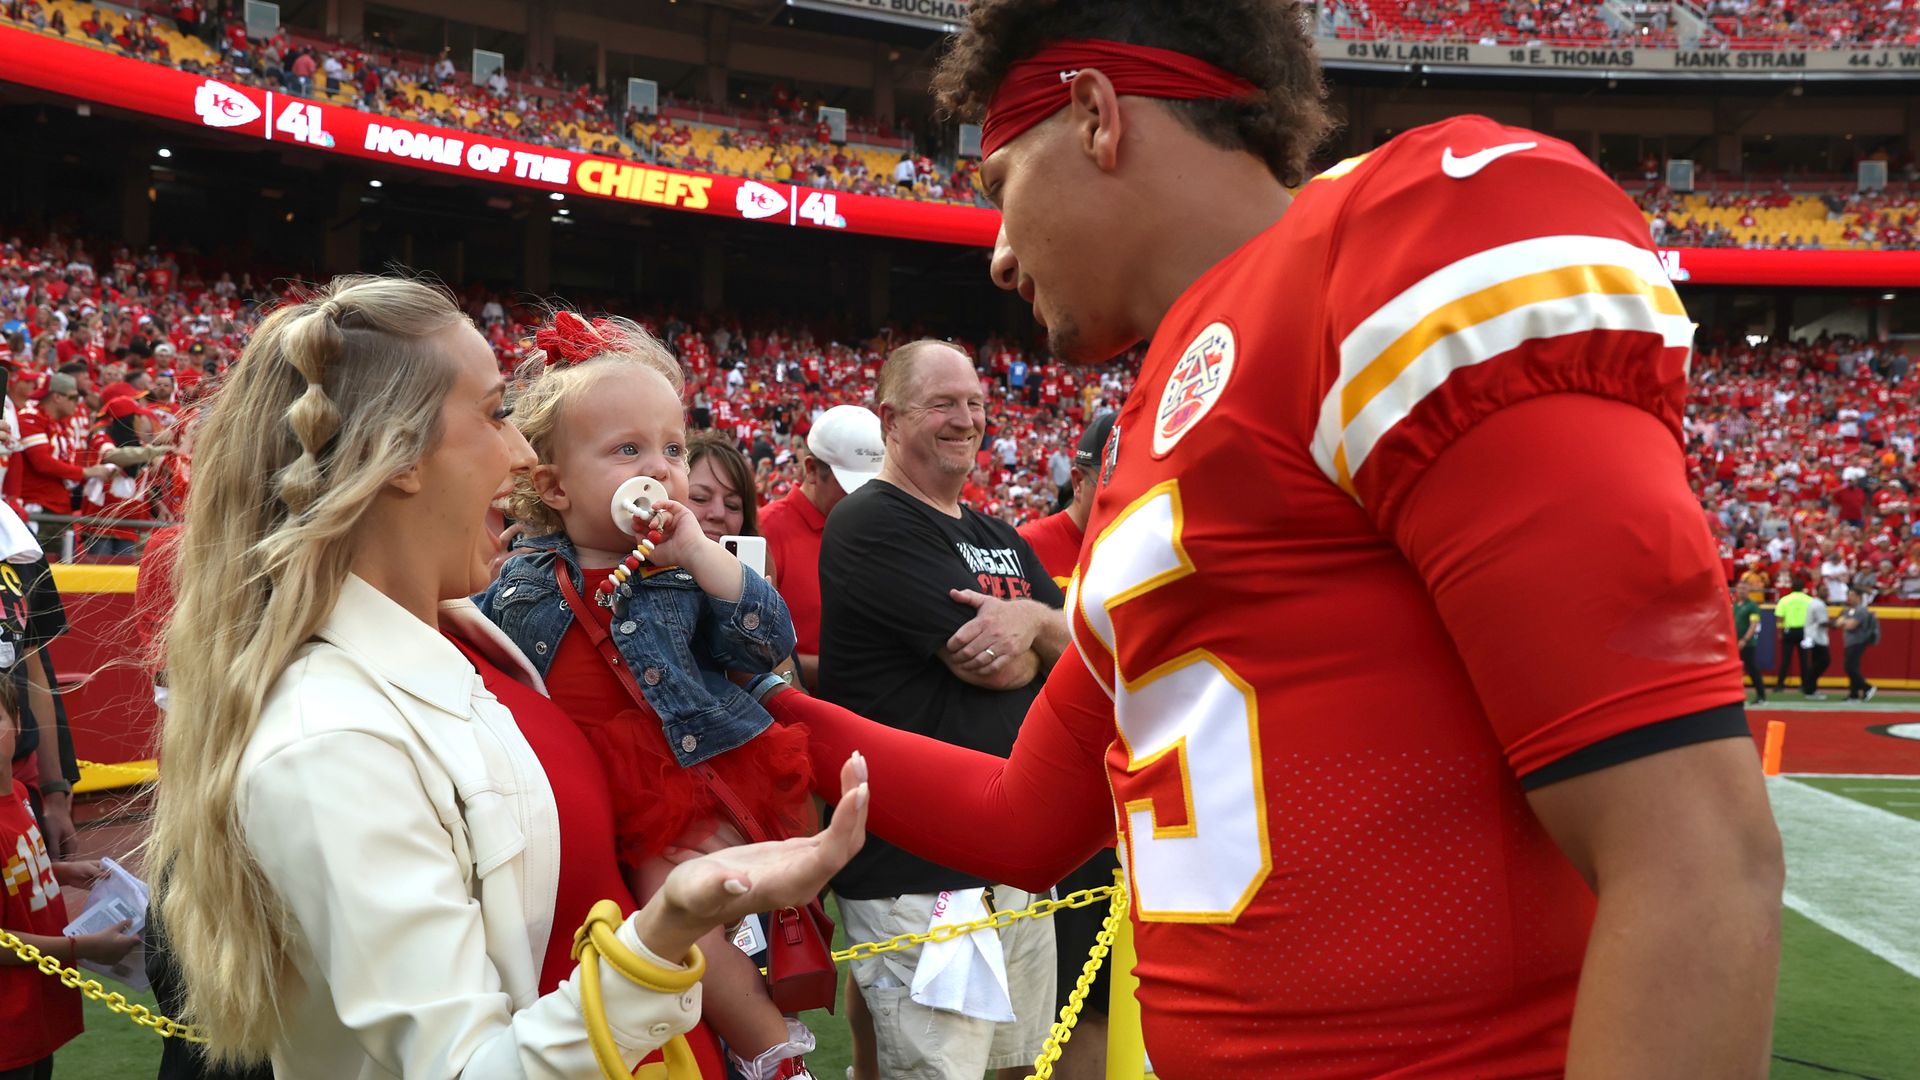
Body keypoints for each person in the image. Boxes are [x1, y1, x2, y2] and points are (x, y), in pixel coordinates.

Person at [760, 4, 1784, 1076]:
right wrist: (761, 713)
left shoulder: (1399, 237)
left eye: (1001, 186)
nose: (1002, 256)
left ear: (1097, 116)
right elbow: (1022, 815)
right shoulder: (1156, 426)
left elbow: (1694, 856)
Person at [145, 277, 869, 1078]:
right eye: (494, 414)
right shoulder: (332, 743)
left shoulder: (461, 635)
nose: (524, 451)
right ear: (400, 454)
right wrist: (666, 930)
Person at [477, 311, 818, 1080]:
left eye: (671, 448)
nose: (660, 469)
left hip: (675, 784)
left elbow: (767, 638)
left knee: (680, 904)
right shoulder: (516, 580)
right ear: (553, 485)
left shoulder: (677, 575)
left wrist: (697, 551)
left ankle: (773, 1053)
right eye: (627, 449)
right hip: (573, 796)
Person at [817, 340, 1064, 1080]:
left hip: (1014, 861)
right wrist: (1037, 638)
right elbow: (991, 668)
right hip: (920, 879)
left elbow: (1074, 648)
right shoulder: (872, 521)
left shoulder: (998, 536)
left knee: (1021, 1070)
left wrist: (1030, 624)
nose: (966, 419)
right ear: (890, 420)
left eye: (977, 403)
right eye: (944, 403)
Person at [1013, 408, 1118, 1080]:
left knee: (1105, 995)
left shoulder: (1143, 542)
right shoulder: (1026, 548)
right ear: (1078, 476)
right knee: (1038, 1004)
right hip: (1050, 790)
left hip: (1127, 804)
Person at [2, 671, 143, 1080]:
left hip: (35, 1004)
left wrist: (58, 872)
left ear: (18, 721)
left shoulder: (19, 793)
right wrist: (81, 947)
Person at [759, 405, 883, 692]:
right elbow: (753, 652)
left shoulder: (877, 526)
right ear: (812, 470)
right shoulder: (767, 532)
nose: (866, 499)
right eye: (854, 488)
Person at [1838, 589, 1879, 702]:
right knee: (1853, 667)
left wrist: (1844, 622)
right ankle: (1853, 694)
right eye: (1848, 595)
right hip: (1850, 641)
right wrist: (1844, 622)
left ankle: (1867, 687)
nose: (1849, 597)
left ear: (1859, 597)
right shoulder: (1850, 610)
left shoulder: (1861, 610)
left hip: (1858, 641)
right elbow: (1838, 622)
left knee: (1849, 667)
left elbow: (1850, 625)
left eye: (1852, 595)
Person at [1774, 581, 1814, 691]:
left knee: (1785, 659)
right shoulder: (1809, 600)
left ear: (1791, 588)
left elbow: (1779, 618)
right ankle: (1805, 685)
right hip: (1804, 631)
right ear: (1803, 588)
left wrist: (1780, 632)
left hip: (1789, 631)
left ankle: (1780, 685)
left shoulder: (1784, 600)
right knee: (1804, 660)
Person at [1732, 585, 1765, 705]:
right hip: (1735, 643)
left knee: (1752, 669)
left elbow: (1753, 624)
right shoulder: (1735, 606)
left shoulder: (1752, 606)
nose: (1741, 591)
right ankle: (1735, 696)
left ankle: (1761, 695)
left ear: (1749, 591)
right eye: (1740, 588)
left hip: (1747, 643)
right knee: (1735, 671)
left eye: (1744, 589)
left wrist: (1745, 639)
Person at [1800, 596, 1831, 699]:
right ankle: (1808, 686)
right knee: (1824, 661)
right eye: (1823, 590)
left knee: (1815, 662)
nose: (1827, 592)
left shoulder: (1814, 603)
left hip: (1810, 636)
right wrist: (1836, 624)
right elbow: (1823, 622)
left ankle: (1811, 688)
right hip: (1817, 637)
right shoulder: (1819, 605)